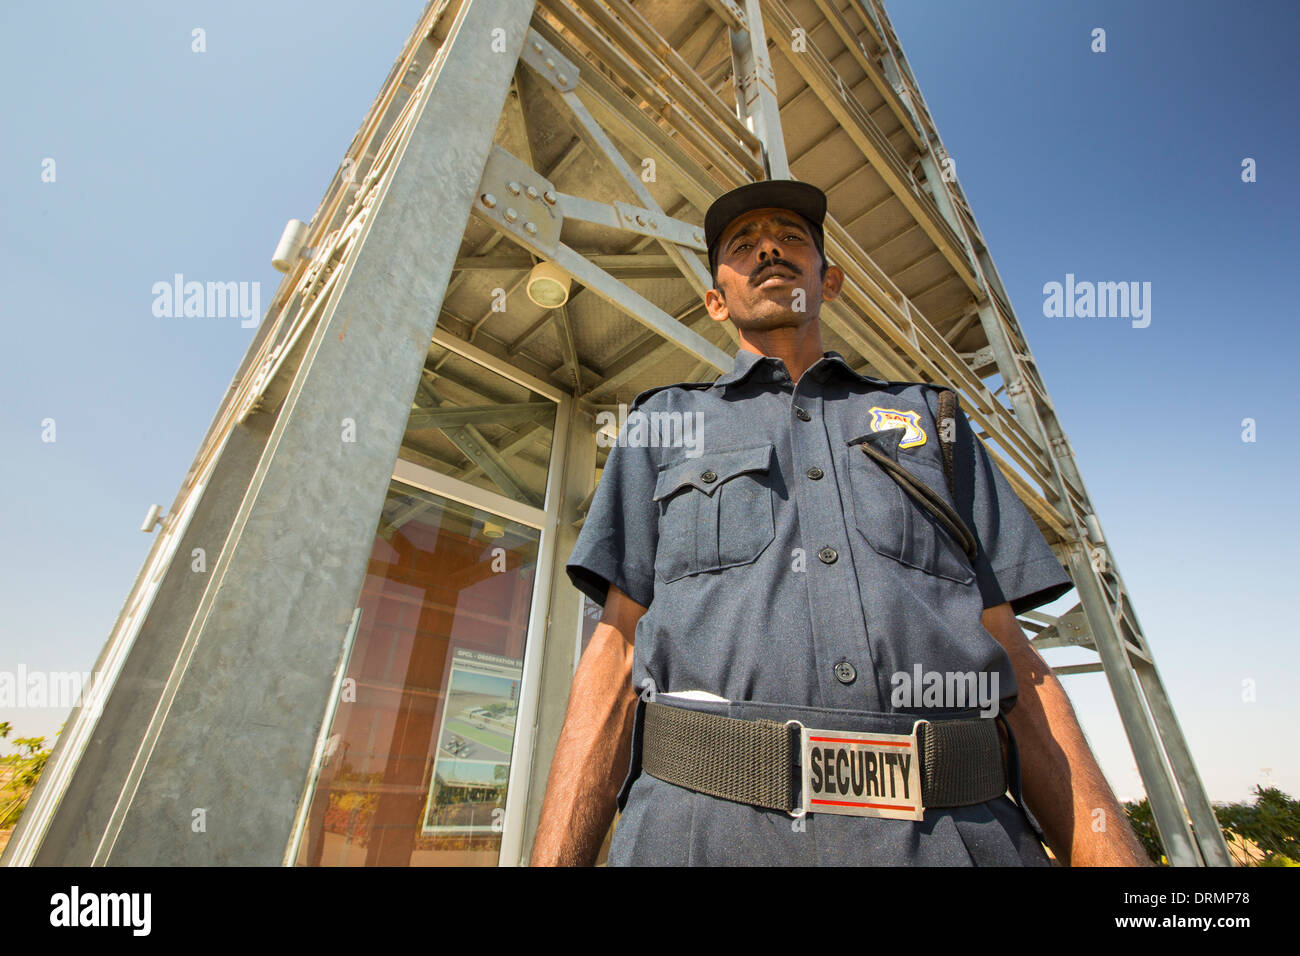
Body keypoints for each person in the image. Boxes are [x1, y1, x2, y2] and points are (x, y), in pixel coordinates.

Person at [530, 179, 1148, 866]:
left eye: (793, 238)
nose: (769, 246)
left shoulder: (931, 421)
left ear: (832, 281)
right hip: (700, 839)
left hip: (958, 839)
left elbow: (1017, 664)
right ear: (715, 301)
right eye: (743, 245)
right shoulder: (662, 426)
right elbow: (616, 652)